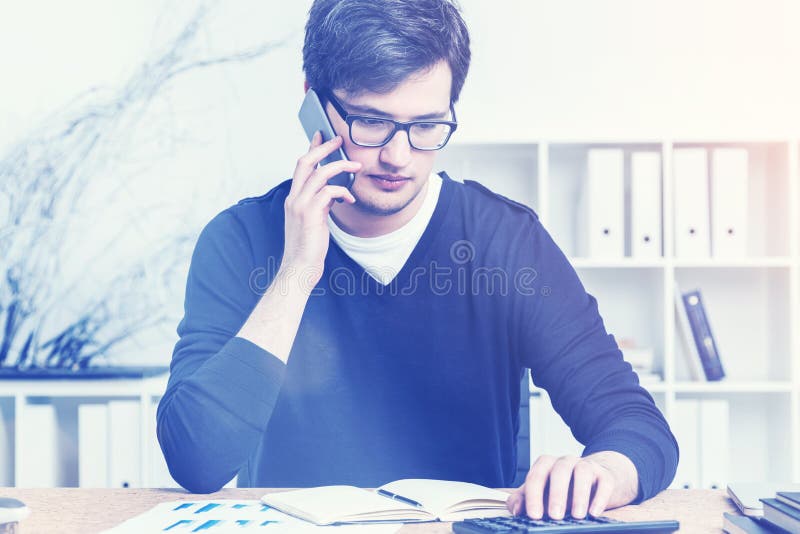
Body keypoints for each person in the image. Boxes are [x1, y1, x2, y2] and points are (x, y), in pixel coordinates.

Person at [157, 0, 678, 521]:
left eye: (427, 125)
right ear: (312, 104)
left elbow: (637, 425)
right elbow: (196, 459)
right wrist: (297, 272)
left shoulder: (506, 241)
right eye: (371, 123)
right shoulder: (239, 240)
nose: (398, 156)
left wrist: (603, 472)